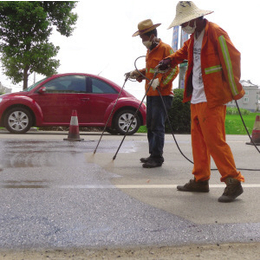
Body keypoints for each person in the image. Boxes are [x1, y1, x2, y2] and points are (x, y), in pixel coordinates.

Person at [158, 1, 245, 202]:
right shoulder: (193, 38)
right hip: (196, 97)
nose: (183, 26)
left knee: (215, 141)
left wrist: (233, 90)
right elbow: (181, 53)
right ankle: (201, 179)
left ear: (196, 18)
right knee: (198, 142)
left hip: (212, 97)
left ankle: (233, 181)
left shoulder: (215, 32)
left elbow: (233, 59)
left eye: (184, 22)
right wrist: (168, 61)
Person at [128, 19, 179, 168]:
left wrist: (161, 83)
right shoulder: (149, 51)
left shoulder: (166, 49)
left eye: (143, 38)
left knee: (157, 126)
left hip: (162, 95)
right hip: (150, 93)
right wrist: (137, 73)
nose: (142, 41)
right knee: (150, 125)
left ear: (151, 36)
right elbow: (151, 71)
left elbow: (174, 69)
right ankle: (152, 154)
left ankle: (157, 158)